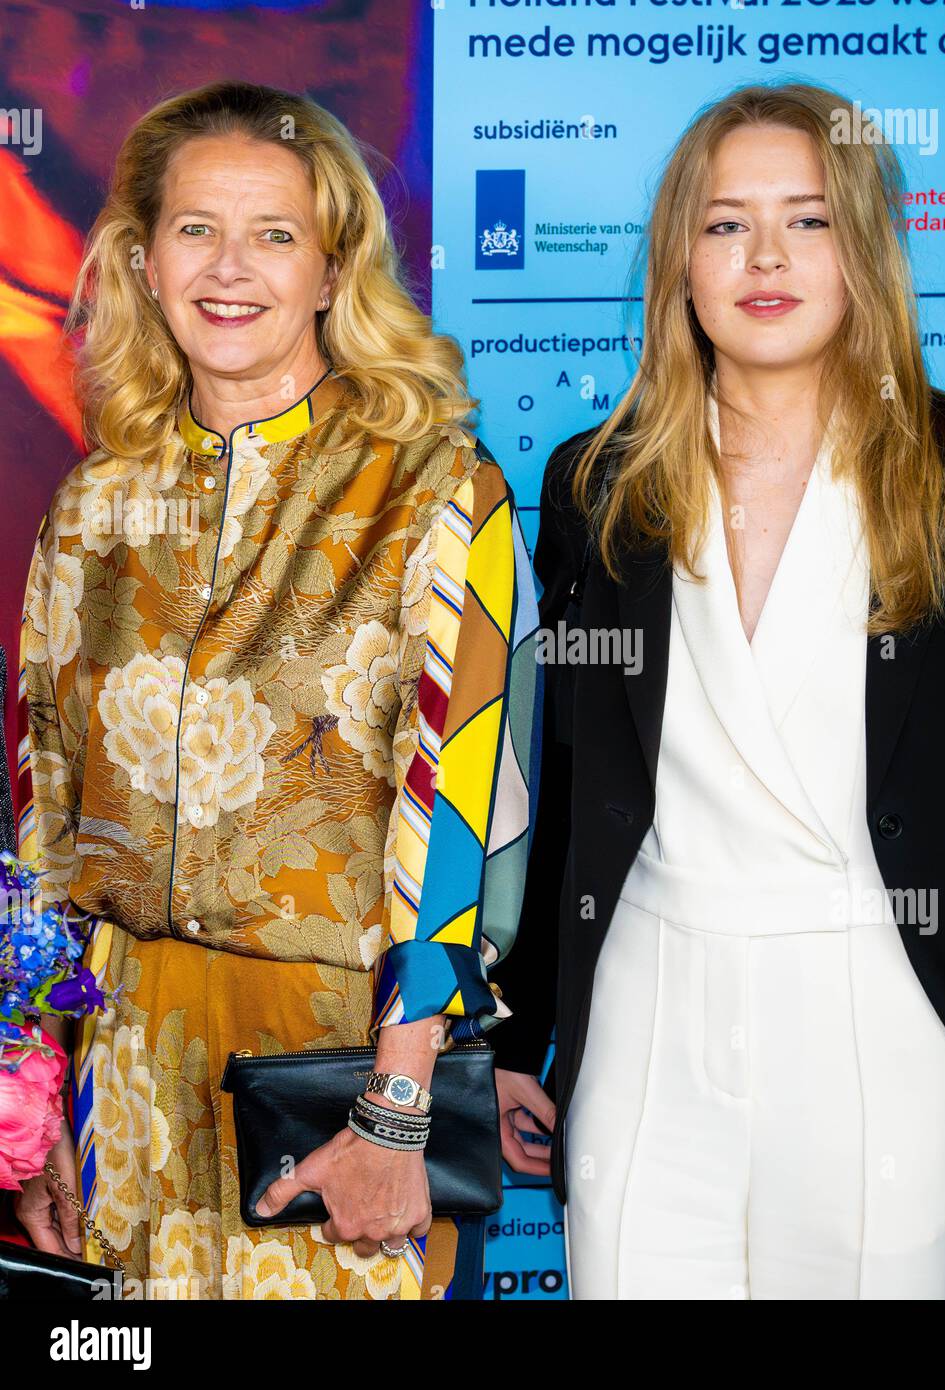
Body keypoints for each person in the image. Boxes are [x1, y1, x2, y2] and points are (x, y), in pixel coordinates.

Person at [491, 81, 945, 1300]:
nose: (764, 256)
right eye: (723, 223)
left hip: (883, 1010)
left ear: (862, 247)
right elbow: (572, 787)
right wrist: (518, 1034)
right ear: (677, 263)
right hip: (646, 1008)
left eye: (805, 220)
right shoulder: (595, 484)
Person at [14, 79, 541, 1300]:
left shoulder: (436, 494)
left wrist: (399, 1116)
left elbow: (452, 835)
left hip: (334, 1079)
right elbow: (43, 827)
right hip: (124, 1075)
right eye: (196, 228)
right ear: (144, 262)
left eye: (275, 233)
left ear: (331, 267)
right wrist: (39, 1105)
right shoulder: (90, 509)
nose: (229, 268)